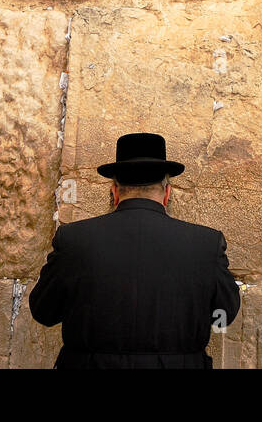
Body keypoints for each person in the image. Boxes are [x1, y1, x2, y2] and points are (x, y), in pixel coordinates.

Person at [29, 132, 241, 368]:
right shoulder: (206, 244)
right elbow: (222, 317)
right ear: (167, 193)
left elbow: (44, 312)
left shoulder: (73, 240)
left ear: (114, 191)